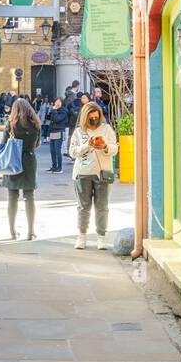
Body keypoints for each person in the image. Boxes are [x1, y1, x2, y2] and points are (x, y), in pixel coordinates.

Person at [68, 101, 119, 250]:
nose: (94, 120)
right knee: (83, 207)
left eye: (96, 117)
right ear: (85, 117)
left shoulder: (107, 129)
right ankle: (81, 236)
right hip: (82, 174)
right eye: (91, 118)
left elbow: (115, 148)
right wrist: (87, 145)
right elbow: (72, 152)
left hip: (103, 173)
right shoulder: (79, 132)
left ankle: (101, 237)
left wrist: (104, 147)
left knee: (102, 207)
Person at [1, 96, 41, 240]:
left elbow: (4, 143)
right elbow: (37, 144)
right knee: (29, 196)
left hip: (13, 161)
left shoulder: (11, 124)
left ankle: (12, 231)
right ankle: (30, 232)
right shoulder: (36, 124)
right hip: (29, 160)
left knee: (12, 196)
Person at [46, 97, 68, 173]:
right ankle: (54, 166)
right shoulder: (54, 110)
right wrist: (48, 135)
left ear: (62, 103)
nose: (57, 103)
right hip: (52, 132)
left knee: (57, 150)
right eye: (56, 101)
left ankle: (59, 168)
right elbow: (50, 122)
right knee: (52, 151)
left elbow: (57, 119)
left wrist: (54, 111)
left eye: (59, 102)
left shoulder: (64, 111)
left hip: (59, 132)